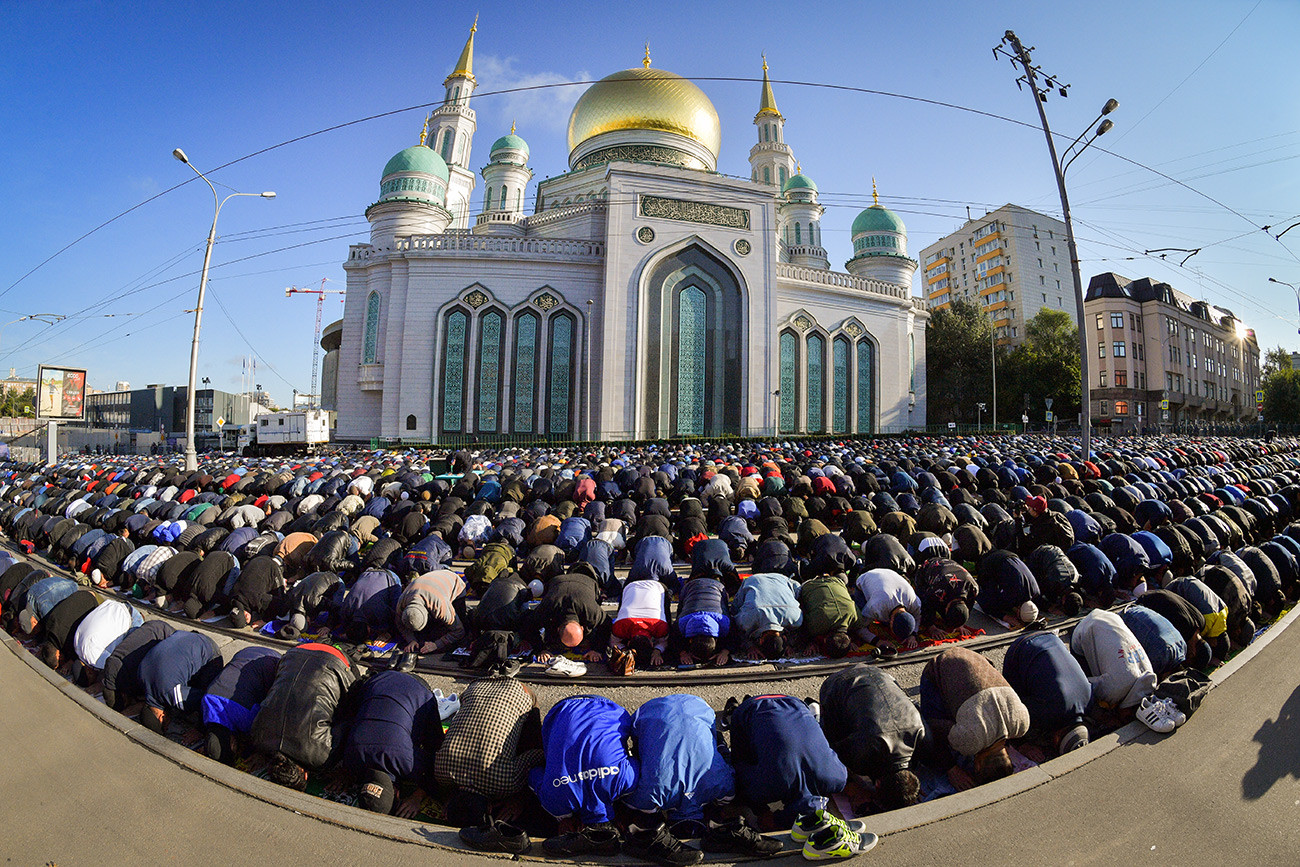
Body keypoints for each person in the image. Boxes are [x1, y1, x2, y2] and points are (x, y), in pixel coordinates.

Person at [626, 694, 779, 859]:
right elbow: (630, 795)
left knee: (717, 752)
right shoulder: (650, 796)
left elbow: (725, 785)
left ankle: (714, 740)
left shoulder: (724, 787)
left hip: (697, 707)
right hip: (657, 711)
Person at [729, 694, 876, 860]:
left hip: (795, 703)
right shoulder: (765, 789)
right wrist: (763, 812)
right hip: (750, 710)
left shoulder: (838, 778)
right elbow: (739, 771)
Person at [436, 675, 546, 855]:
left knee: (533, 739)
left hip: (521, 692)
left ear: (489, 808)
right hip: (475, 687)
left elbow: (538, 754)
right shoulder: (440, 771)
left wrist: (518, 798)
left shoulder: (506, 783)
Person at [529, 695, 637, 858]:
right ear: (577, 830)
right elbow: (533, 774)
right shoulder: (554, 801)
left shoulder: (626, 782)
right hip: (560, 712)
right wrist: (562, 815)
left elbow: (637, 759)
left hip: (610, 709)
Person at [251, 642, 359, 790]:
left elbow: (348, 726)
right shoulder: (259, 738)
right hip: (294, 654)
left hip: (336, 662)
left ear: (305, 774)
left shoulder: (320, 755)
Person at [819, 664, 924, 811]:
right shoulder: (861, 755)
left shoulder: (922, 737)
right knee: (829, 736)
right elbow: (829, 758)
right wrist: (852, 788)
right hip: (837, 684)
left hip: (880, 674)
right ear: (877, 784)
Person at [919, 645, 1029, 783]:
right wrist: (950, 768)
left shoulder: (1022, 724)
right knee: (929, 722)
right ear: (977, 765)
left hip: (977, 659)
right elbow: (933, 728)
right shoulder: (969, 742)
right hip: (941, 664)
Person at [341, 670, 444, 817]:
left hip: (419, 688)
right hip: (378, 680)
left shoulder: (407, 763)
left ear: (397, 793)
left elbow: (438, 762)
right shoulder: (351, 759)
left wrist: (417, 797)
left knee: (435, 742)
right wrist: (343, 774)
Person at [1069, 609, 1177, 733]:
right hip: (1083, 629)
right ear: (1126, 713)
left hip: (1111, 617)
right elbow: (1082, 686)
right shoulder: (1114, 690)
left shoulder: (1150, 672)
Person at [1001, 631, 1091, 756]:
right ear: (1058, 737)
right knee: (1012, 696)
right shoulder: (1048, 712)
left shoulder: (1088, 700)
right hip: (1020, 649)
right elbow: (1012, 710)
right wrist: (1023, 744)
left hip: (1052, 639)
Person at [201, 646, 282, 764]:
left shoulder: (247, 719)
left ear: (232, 744)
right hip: (246, 652)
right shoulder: (205, 703)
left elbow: (267, 727)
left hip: (273, 660)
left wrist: (259, 754)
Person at [137, 629, 224, 734]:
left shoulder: (171, 692)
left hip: (209, 652)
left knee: (204, 694)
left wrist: (199, 730)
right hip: (184, 635)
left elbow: (206, 701)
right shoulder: (140, 676)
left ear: (161, 718)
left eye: (166, 726)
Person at [527, 569, 611, 669]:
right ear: (558, 629)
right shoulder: (548, 608)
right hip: (557, 582)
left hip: (586, 582)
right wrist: (541, 650)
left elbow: (607, 624)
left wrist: (598, 650)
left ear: (582, 628)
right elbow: (529, 626)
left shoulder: (590, 611)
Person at [101, 619, 176, 711]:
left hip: (166, 637)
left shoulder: (132, 681)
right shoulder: (110, 666)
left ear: (124, 696)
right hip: (153, 627)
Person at [395, 568, 467, 655]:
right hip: (431, 583)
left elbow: (459, 631)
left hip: (454, 583)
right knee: (425, 635)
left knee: (459, 631)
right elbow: (400, 624)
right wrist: (411, 640)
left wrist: (437, 645)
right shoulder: (401, 602)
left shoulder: (440, 606)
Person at [732, 572, 802, 660]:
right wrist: (750, 646)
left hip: (776, 579)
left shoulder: (795, 618)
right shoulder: (748, 620)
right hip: (761, 580)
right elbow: (734, 619)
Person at [799, 573, 868, 658]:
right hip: (808, 585)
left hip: (836, 581)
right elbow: (802, 628)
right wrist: (811, 643)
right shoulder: (816, 626)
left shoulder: (855, 618)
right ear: (824, 639)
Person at [855, 567, 921, 649]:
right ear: (891, 621)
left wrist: (913, 634)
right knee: (857, 619)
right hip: (867, 577)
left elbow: (918, 617)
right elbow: (859, 627)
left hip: (889, 573)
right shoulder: (876, 607)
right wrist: (877, 641)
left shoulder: (914, 602)